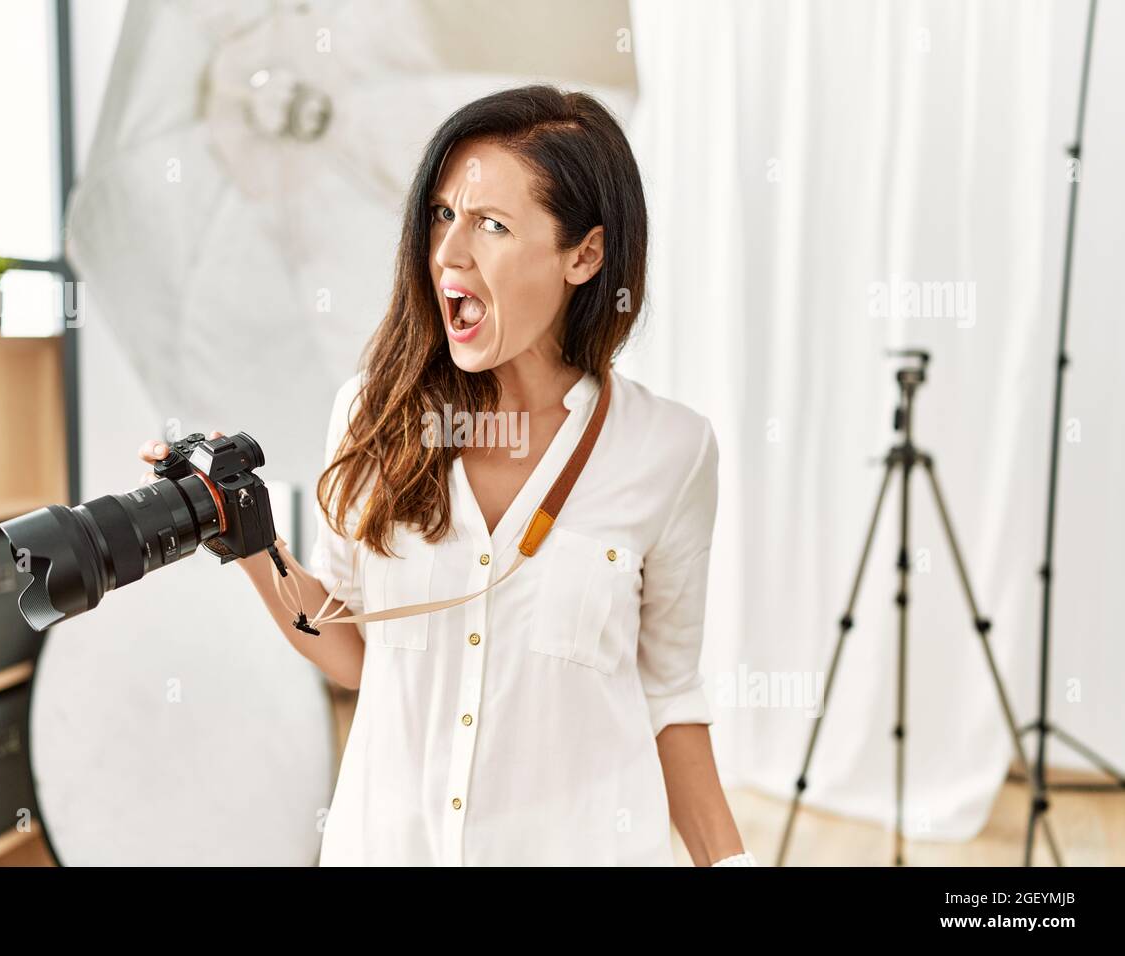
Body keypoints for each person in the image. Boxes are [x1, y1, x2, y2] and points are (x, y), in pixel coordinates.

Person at [139, 85, 753, 867]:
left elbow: (669, 694)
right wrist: (247, 537)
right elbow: (353, 646)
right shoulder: (371, 414)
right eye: (442, 215)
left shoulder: (669, 450)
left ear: (585, 255)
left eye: (491, 225)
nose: (449, 255)